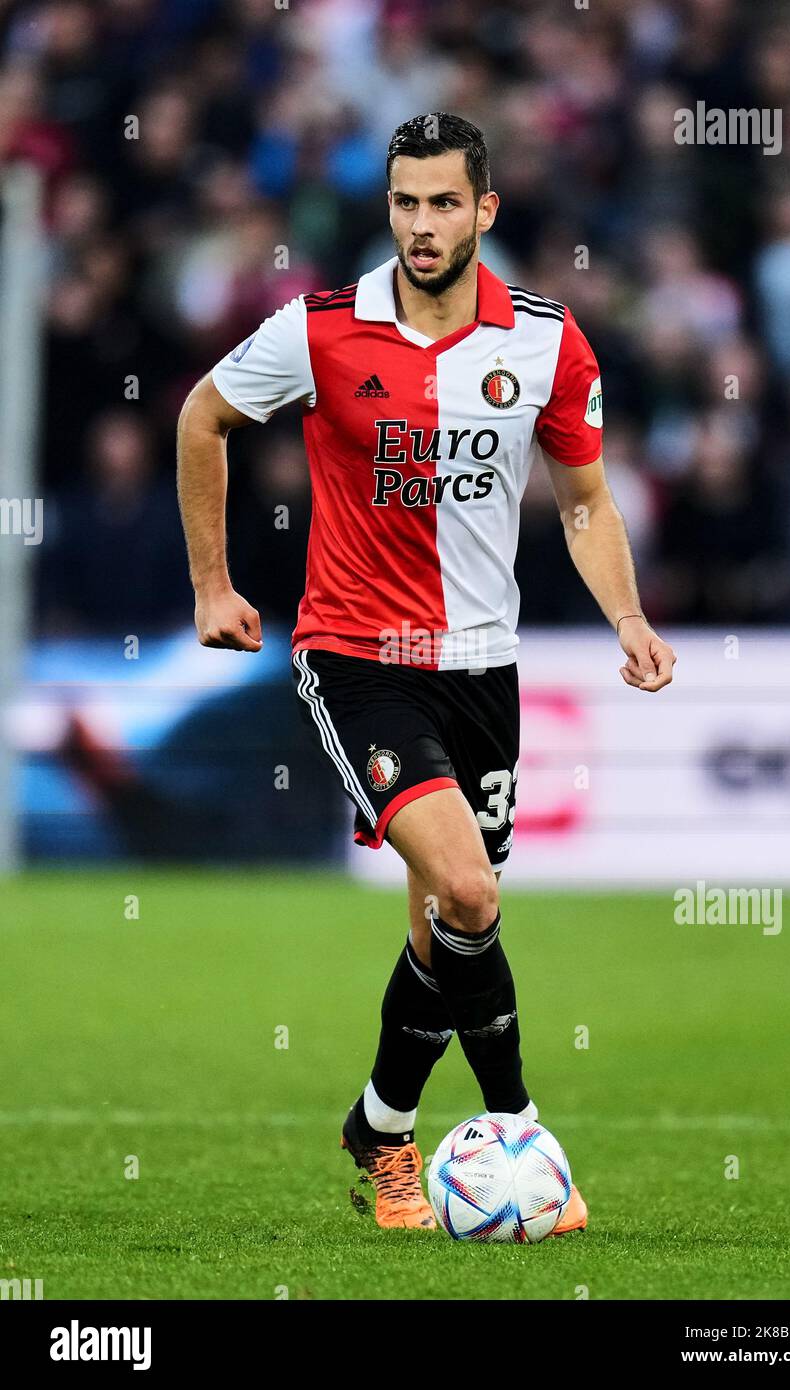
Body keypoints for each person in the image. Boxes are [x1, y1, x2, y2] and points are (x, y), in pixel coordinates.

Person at [177, 112, 677, 1235]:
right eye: (404, 202)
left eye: (443, 202)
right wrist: (212, 584)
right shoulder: (319, 330)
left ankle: (378, 1129)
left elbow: (586, 502)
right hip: (355, 657)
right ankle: (525, 1134)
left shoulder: (544, 341)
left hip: (482, 666)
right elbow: (201, 418)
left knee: (439, 934)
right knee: (471, 892)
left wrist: (628, 615)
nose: (420, 224)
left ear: (484, 210)